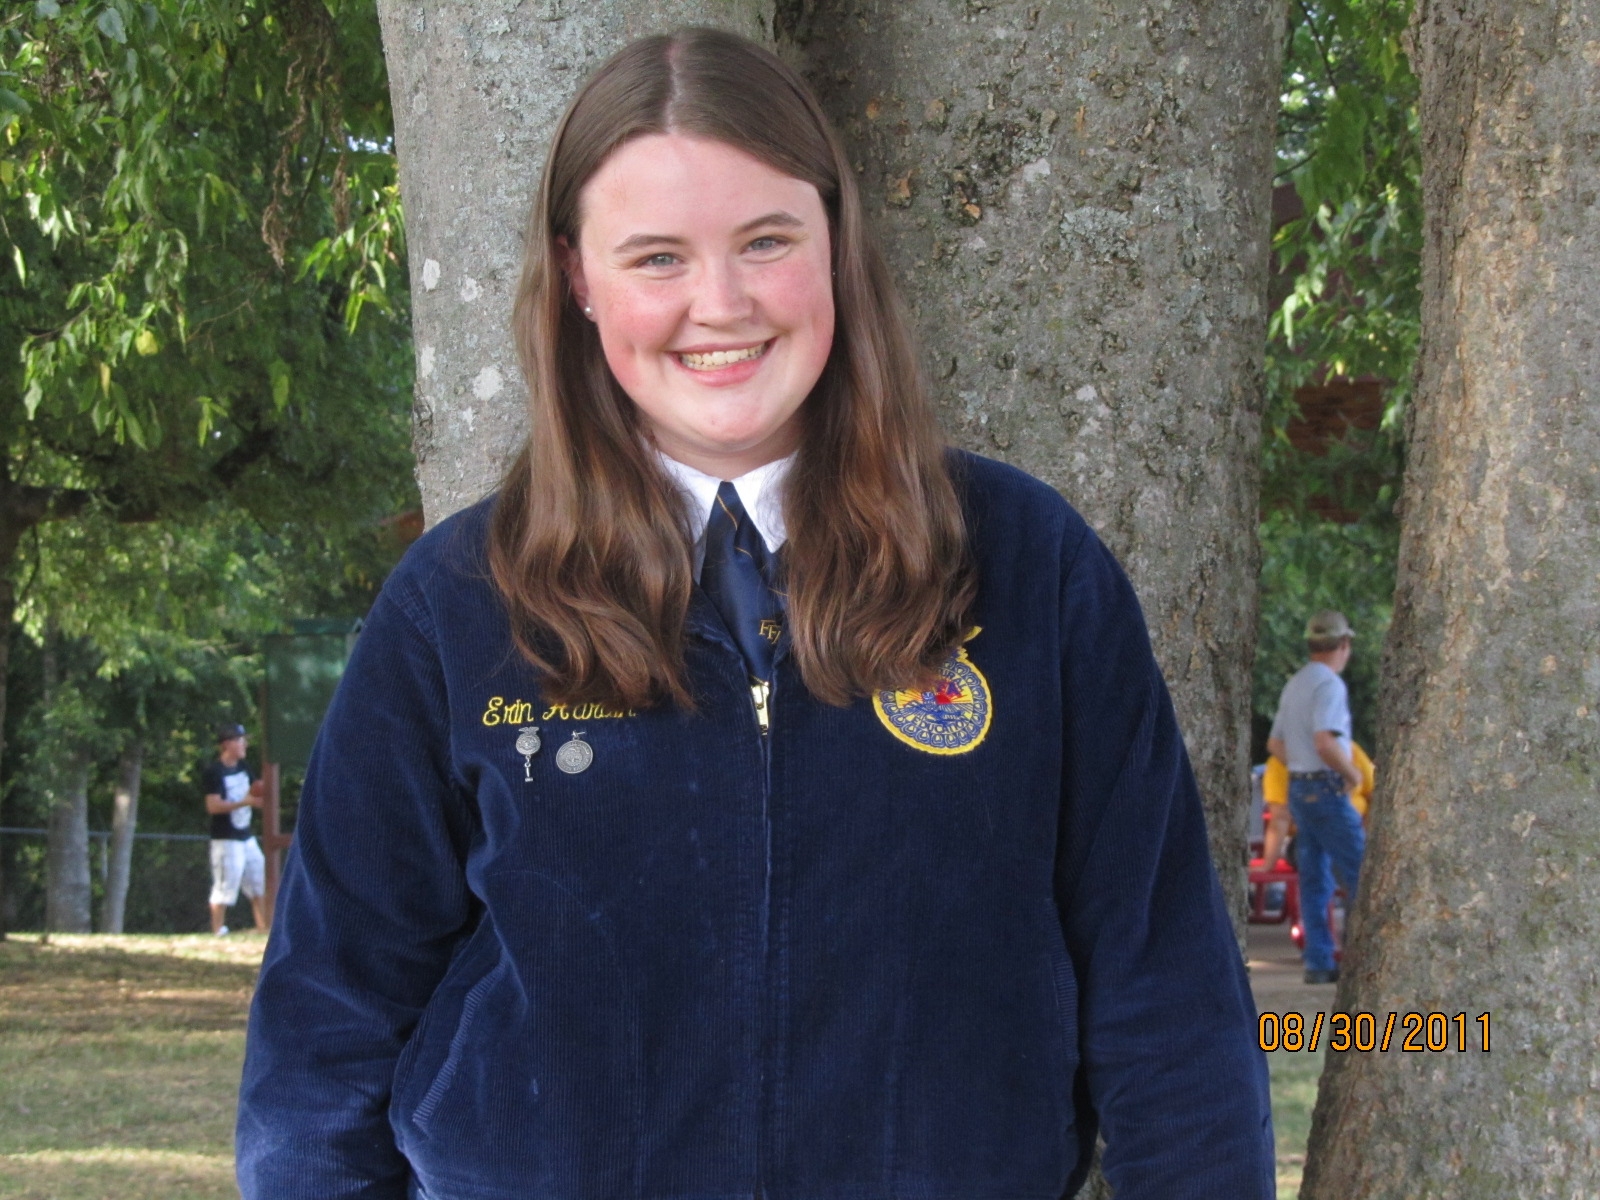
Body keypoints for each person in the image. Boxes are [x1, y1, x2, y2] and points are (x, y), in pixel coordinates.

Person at [237, 28, 1272, 1199]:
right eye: (657, 258)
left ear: (834, 244)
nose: (718, 305)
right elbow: (325, 1033)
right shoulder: (457, 605)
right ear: (580, 276)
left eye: (766, 241)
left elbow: (1169, 1002)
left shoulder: (1030, 570)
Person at [1266, 610, 1365, 984]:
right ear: (1343, 645)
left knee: (1314, 877)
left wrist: (1301, 764)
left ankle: (1319, 961)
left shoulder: (1296, 683)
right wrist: (1351, 772)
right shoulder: (1330, 686)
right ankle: (1363, 960)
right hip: (1326, 786)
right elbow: (1326, 741)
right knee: (1362, 872)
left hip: (1299, 786)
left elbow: (1275, 742)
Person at [203, 721, 266, 936]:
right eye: (240, 740)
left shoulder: (244, 767)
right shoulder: (215, 772)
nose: (245, 744)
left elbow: (256, 790)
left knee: (259, 880)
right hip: (225, 839)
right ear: (228, 744)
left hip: (246, 836)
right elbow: (213, 806)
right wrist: (245, 802)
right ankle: (217, 931)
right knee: (225, 886)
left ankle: (264, 929)